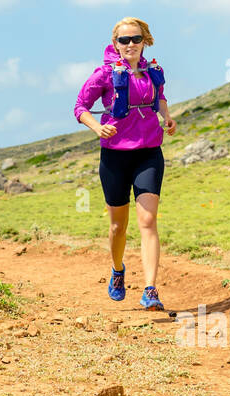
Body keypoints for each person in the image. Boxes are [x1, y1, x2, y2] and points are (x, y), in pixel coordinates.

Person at [73, 17, 177, 310]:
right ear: (115, 43)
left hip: (149, 153)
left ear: (145, 40)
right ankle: (117, 270)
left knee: (148, 221)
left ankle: (150, 289)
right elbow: (80, 107)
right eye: (124, 40)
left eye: (136, 39)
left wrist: (166, 117)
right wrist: (96, 127)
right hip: (115, 155)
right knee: (118, 226)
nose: (130, 45)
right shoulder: (104, 74)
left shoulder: (153, 70)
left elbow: (160, 98)